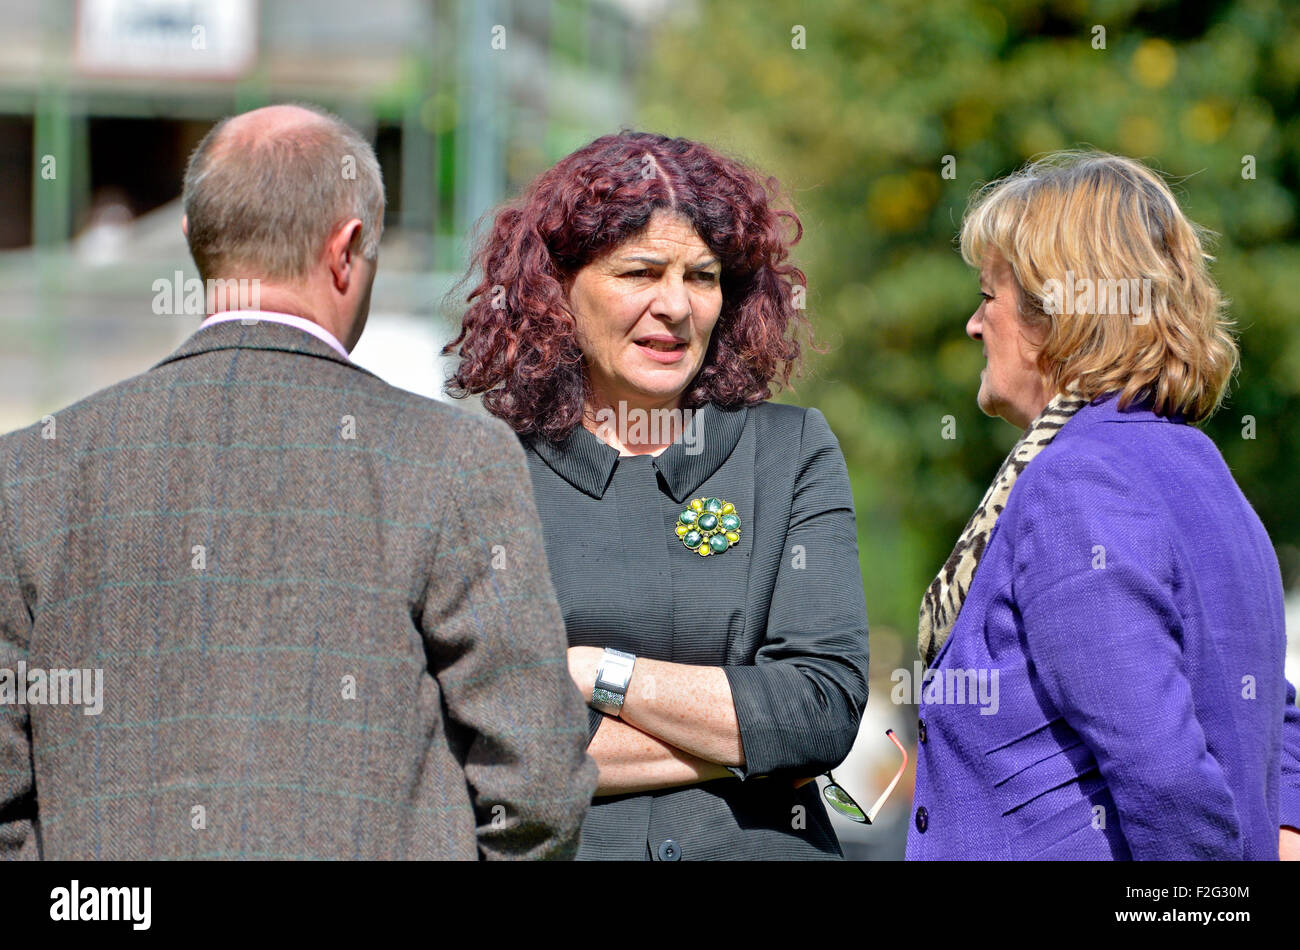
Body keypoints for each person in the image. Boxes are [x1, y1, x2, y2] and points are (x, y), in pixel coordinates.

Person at [0, 104, 595, 860]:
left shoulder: (27, 471)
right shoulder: (456, 460)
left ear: (193, 243)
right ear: (346, 250)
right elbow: (537, 782)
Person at [445, 131, 871, 860]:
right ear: (557, 289)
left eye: (701, 277)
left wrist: (593, 676)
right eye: (640, 272)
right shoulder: (482, 470)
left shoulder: (791, 452)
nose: (675, 306)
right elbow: (480, 745)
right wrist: (748, 745)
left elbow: (821, 712)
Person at [910, 150, 1300, 859]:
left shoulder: (1075, 481)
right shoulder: (1199, 465)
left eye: (987, 295)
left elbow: (1165, 778)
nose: (973, 323)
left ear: (1055, 311)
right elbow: (1270, 710)